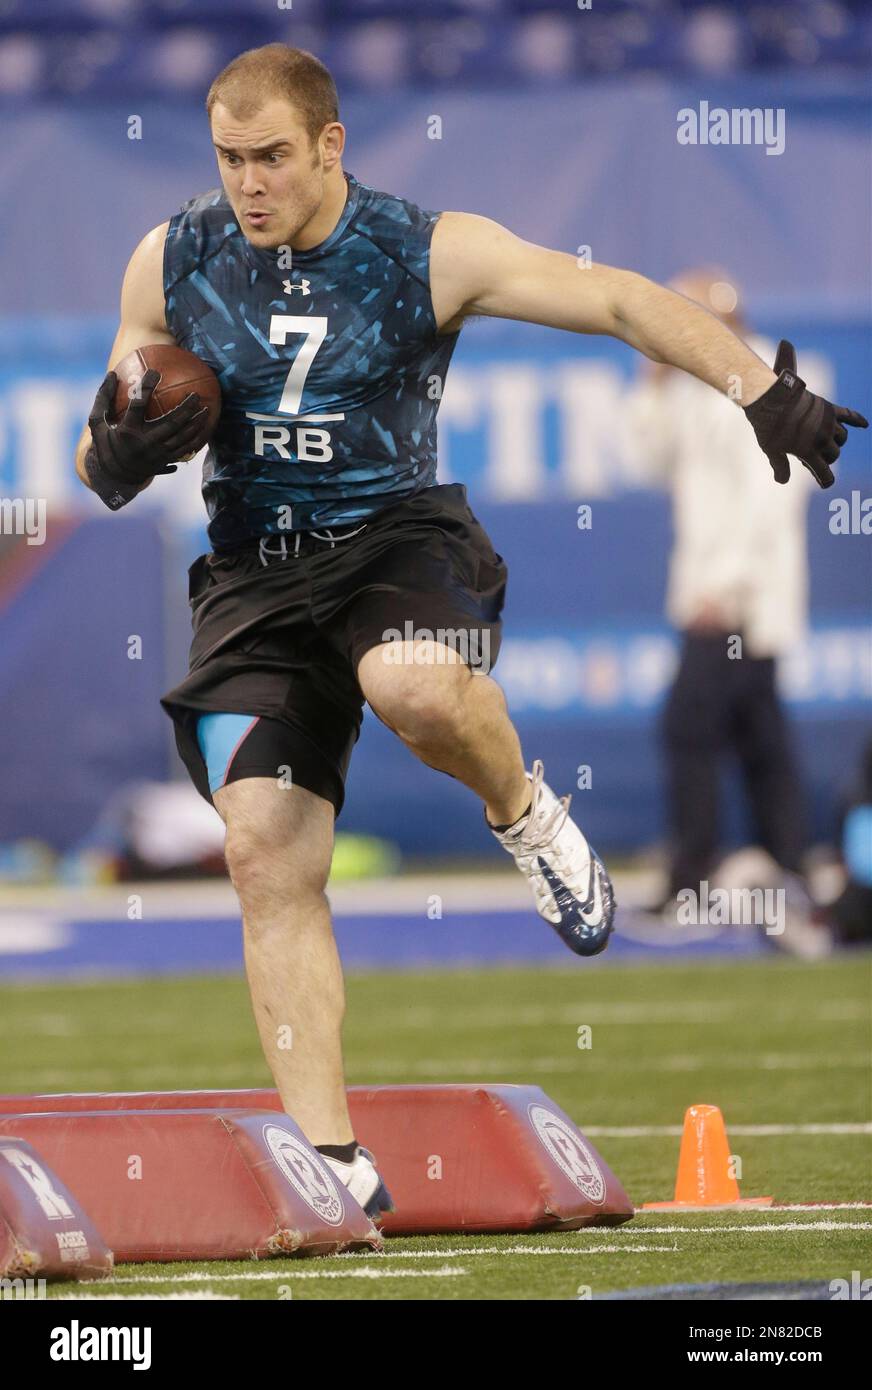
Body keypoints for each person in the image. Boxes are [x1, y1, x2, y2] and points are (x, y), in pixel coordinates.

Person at [73, 46, 867, 1219]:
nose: (249, 185)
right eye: (230, 159)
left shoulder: (423, 248)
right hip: (252, 576)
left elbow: (613, 298)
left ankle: (527, 814)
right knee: (261, 851)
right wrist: (118, 450)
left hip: (394, 541)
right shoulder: (172, 255)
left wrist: (755, 387)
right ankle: (331, 1164)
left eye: (273, 158)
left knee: (417, 689)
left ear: (330, 145)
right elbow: (101, 458)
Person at [626, 270, 817, 917]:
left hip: (739, 597)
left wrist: (726, 585)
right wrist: (651, 385)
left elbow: (776, 492)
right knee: (760, 732)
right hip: (715, 591)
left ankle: (693, 874)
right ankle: (791, 866)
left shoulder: (773, 379)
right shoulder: (692, 384)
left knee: (689, 726)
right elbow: (651, 464)